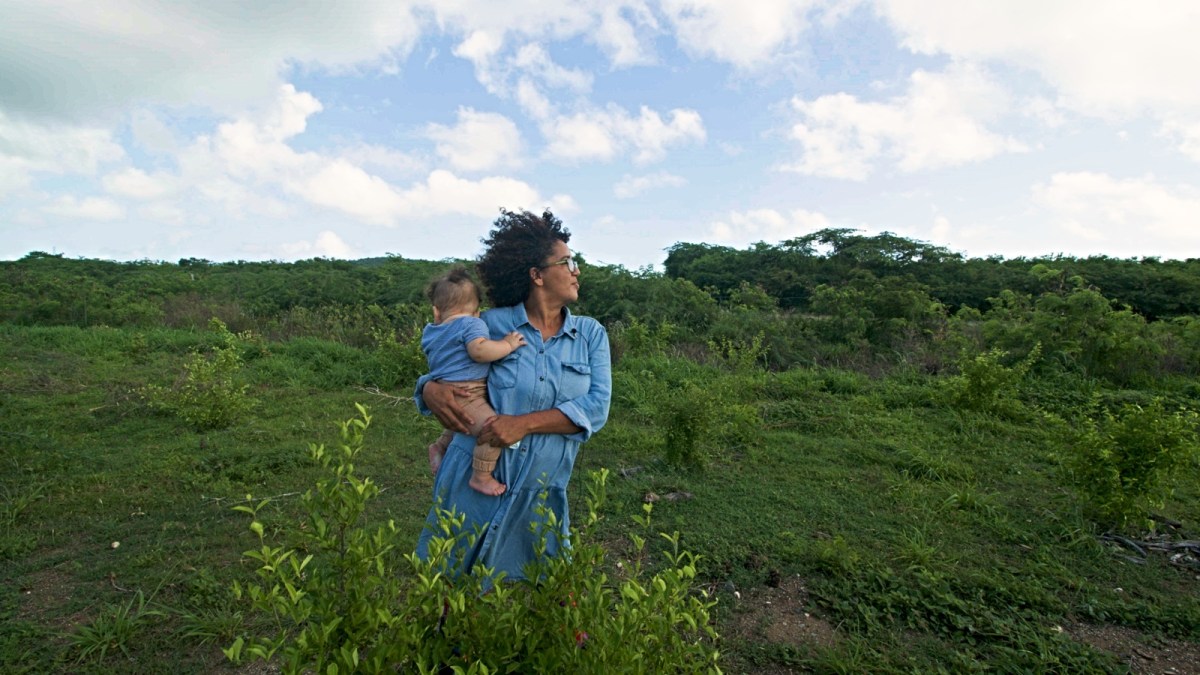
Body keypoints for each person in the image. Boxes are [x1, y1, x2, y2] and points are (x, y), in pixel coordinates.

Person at [413, 209, 612, 583]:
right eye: (567, 261)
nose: (577, 269)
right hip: (469, 480)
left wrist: (520, 425)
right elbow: (450, 362)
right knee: (448, 589)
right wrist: (428, 387)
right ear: (536, 275)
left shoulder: (590, 334)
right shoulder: (491, 323)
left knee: (531, 604)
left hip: (539, 492)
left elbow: (596, 408)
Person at [422, 267, 528, 496]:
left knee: (459, 423)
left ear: (436, 312)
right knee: (491, 429)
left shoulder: (432, 330)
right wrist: (508, 345)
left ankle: (440, 446)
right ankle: (481, 476)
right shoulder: (472, 324)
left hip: (447, 388)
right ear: (477, 311)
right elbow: (479, 351)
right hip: (467, 392)